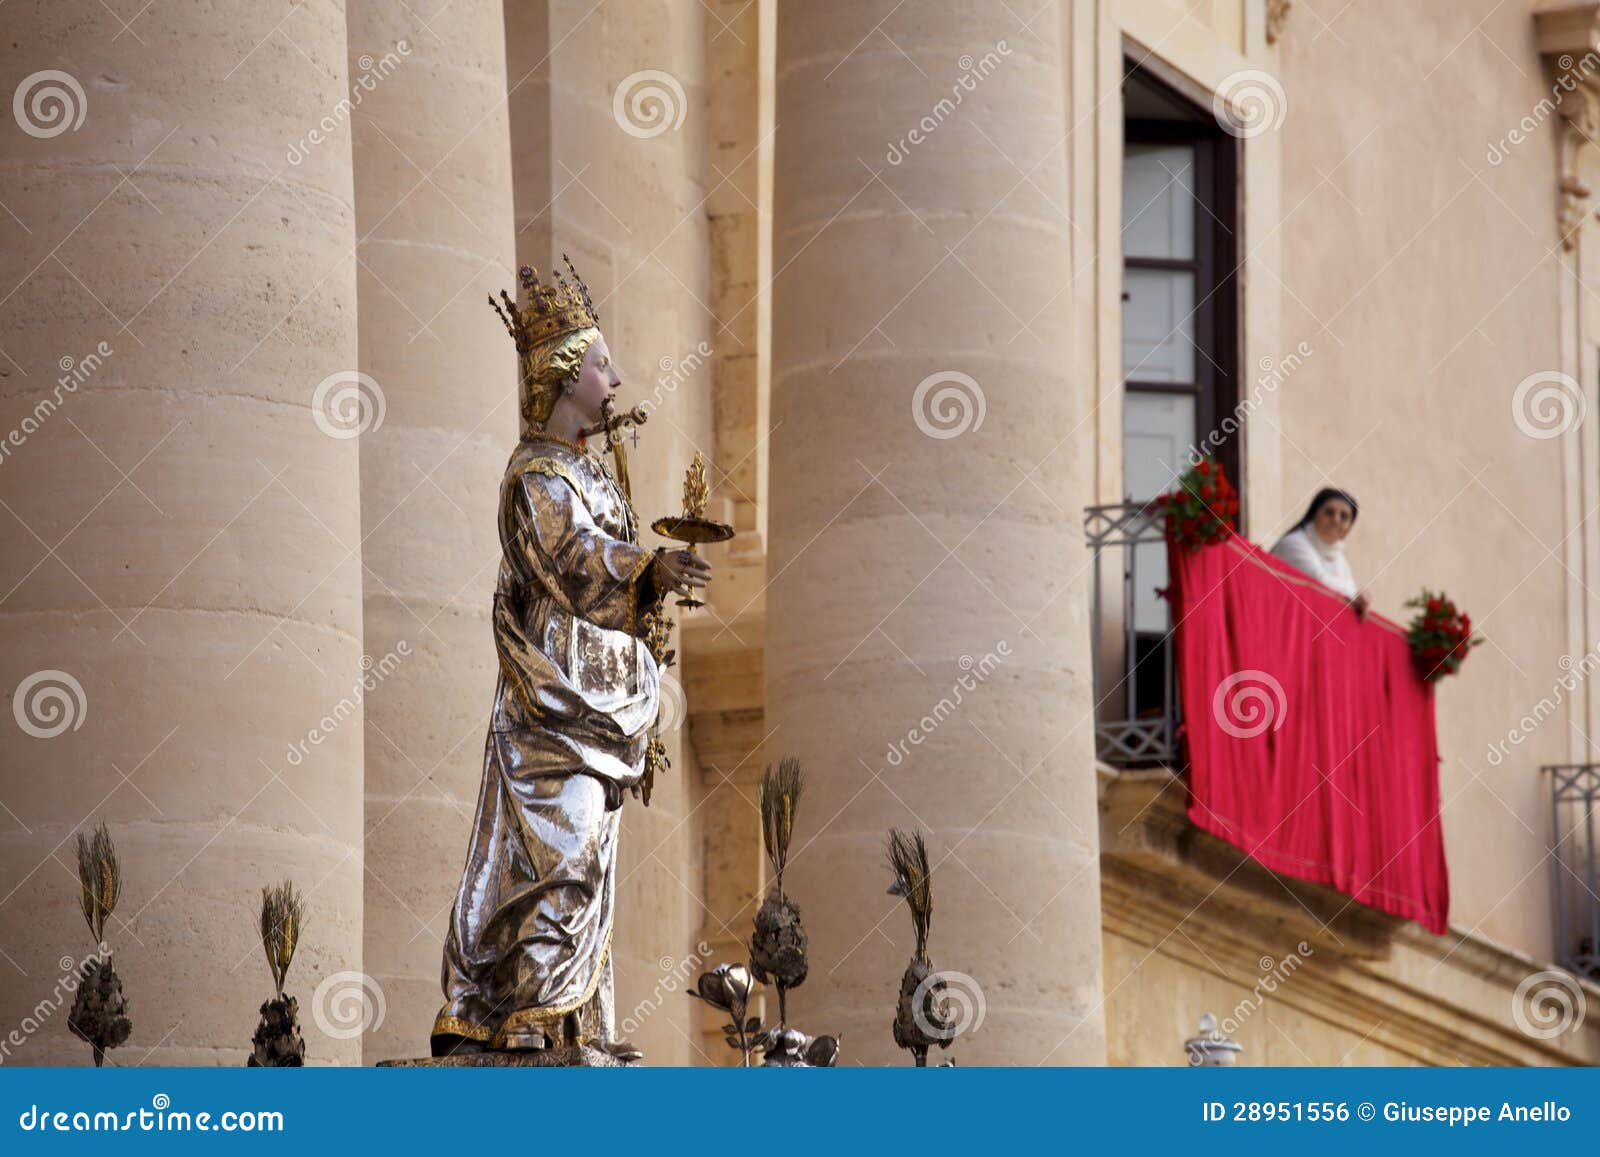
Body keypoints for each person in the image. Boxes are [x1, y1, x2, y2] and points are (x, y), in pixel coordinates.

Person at [430, 260, 710, 1060]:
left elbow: (610, 555)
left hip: (601, 702)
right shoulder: (536, 479)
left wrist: (655, 599)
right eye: (598, 362)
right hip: (553, 705)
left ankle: (569, 1020)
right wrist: (645, 570)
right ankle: (529, 1013)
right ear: (562, 374)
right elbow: (575, 559)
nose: (614, 377)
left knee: (588, 862)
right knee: (562, 848)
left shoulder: (591, 473)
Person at [1270, 487, 1369, 618]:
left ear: (1349, 528)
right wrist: (1356, 596)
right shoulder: (1293, 543)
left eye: (1344, 516)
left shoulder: (1340, 560)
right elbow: (1320, 582)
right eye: (1329, 512)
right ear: (1314, 515)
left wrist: (1357, 598)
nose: (1336, 520)